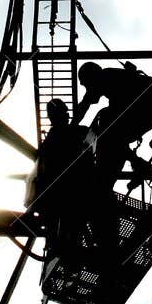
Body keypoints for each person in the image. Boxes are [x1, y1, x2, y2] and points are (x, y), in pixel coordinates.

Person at [73, 61, 152, 193]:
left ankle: (135, 167)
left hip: (147, 107)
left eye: (86, 84)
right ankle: (137, 165)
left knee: (108, 127)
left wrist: (71, 127)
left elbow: (84, 105)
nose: (87, 88)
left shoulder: (104, 79)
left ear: (91, 77)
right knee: (114, 133)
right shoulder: (111, 76)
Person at [28, 99, 97, 251]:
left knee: (68, 222)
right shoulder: (72, 133)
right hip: (71, 189)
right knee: (73, 220)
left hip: (62, 192)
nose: (67, 115)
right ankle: (65, 245)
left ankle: (60, 245)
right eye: (65, 113)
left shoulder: (53, 139)